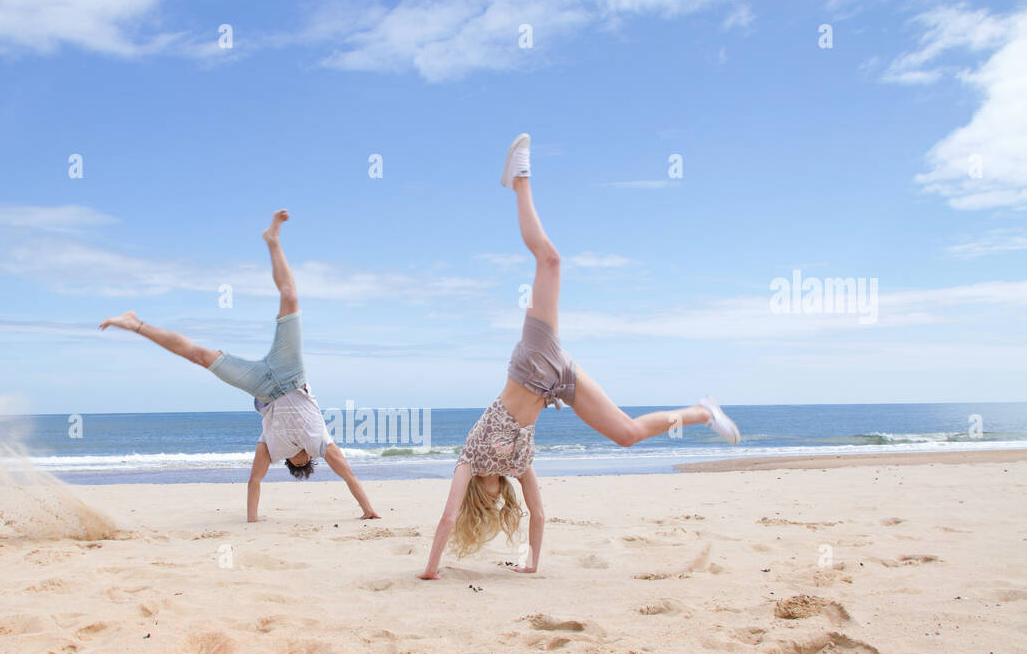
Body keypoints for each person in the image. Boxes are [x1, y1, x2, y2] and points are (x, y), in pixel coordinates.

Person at [420, 135, 741, 579]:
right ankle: (703, 413)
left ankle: (519, 180)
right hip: (558, 382)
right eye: (497, 503)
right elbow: (538, 513)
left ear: (478, 494)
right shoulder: (518, 467)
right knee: (627, 434)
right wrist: (532, 564)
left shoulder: (469, 461)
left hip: (534, 363)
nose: (496, 500)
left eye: (489, 500)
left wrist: (430, 570)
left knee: (550, 261)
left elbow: (446, 518)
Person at [100, 210, 380, 523]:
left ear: (291, 462)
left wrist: (252, 521)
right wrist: (368, 510)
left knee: (201, 357)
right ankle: (273, 239)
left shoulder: (273, 450)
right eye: (304, 462)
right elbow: (349, 475)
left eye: (298, 463)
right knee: (290, 297)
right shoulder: (320, 444)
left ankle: (134, 323)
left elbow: (254, 481)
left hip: (263, 386)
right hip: (291, 374)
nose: (301, 459)